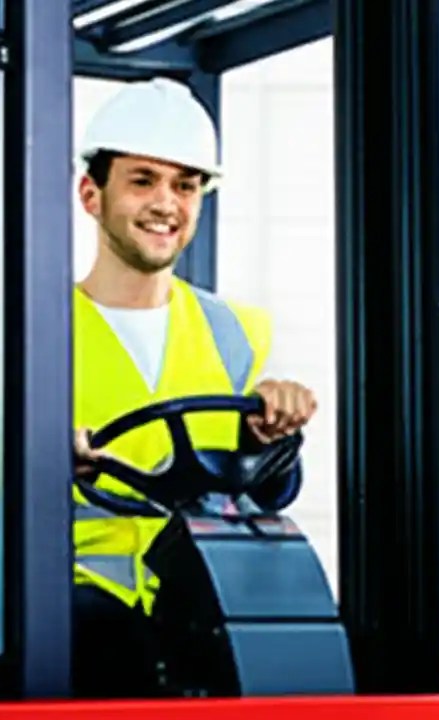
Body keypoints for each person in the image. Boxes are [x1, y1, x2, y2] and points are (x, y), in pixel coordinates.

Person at [69, 77, 317, 698]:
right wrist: (44, 463)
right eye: (143, 180)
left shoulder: (237, 333)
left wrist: (268, 438)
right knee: (107, 647)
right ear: (91, 195)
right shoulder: (18, 333)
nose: (166, 203)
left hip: (203, 596)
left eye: (185, 185)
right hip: (69, 608)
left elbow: (263, 491)